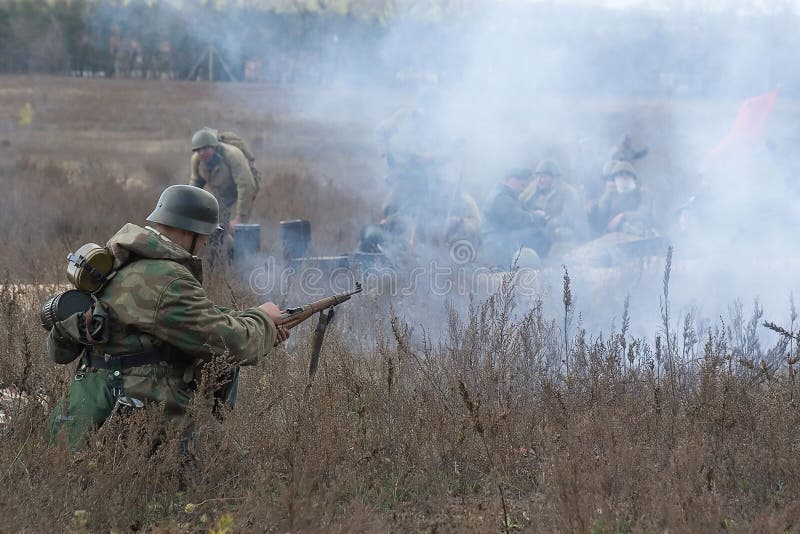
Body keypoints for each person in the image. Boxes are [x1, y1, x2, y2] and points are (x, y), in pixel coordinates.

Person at [47, 185, 288, 451]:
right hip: (134, 415)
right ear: (188, 230)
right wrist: (262, 320)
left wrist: (248, 319)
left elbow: (187, 317)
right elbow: (231, 343)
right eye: (206, 234)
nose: (207, 242)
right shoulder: (168, 278)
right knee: (228, 471)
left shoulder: (124, 260)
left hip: (88, 406)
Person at [189, 127, 257, 230]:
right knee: (217, 230)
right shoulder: (197, 160)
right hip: (222, 198)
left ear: (214, 147)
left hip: (240, 196)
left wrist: (239, 217)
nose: (202, 153)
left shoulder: (233, 155)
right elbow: (195, 185)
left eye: (205, 148)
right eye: (198, 150)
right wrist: (187, 209)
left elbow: (246, 185)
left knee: (238, 231)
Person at [482, 167, 547, 268]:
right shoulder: (501, 198)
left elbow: (521, 211)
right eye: (522, 185)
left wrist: (534, 214)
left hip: (501, 249)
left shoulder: (505, 196)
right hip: (497, 252)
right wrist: (537, 217)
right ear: (512, 180)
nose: (523, 190)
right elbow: (517, 218)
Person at [520, 160, 588, 256]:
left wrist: (546, 220)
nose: (540, 180)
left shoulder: (568, 192)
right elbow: (521, 203)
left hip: (563, 229)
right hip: (538, 225)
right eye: (538, 176)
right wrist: (533, 215)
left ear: (553, 178)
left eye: (543, 176)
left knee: (557, 233)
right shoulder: (535, 187)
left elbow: (568, 218)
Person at [588, 160, 655, 237]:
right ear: (615, 179)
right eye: (620, 175)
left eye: (627, 174)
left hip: (640, 233)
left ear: (633, 177)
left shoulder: (643, 193)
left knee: (631, 226)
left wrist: (623, 216)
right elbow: (600, 217)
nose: (624, 177)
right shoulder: (610, 194)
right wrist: (593, 210)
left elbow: (644, 214)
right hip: (614, 237)